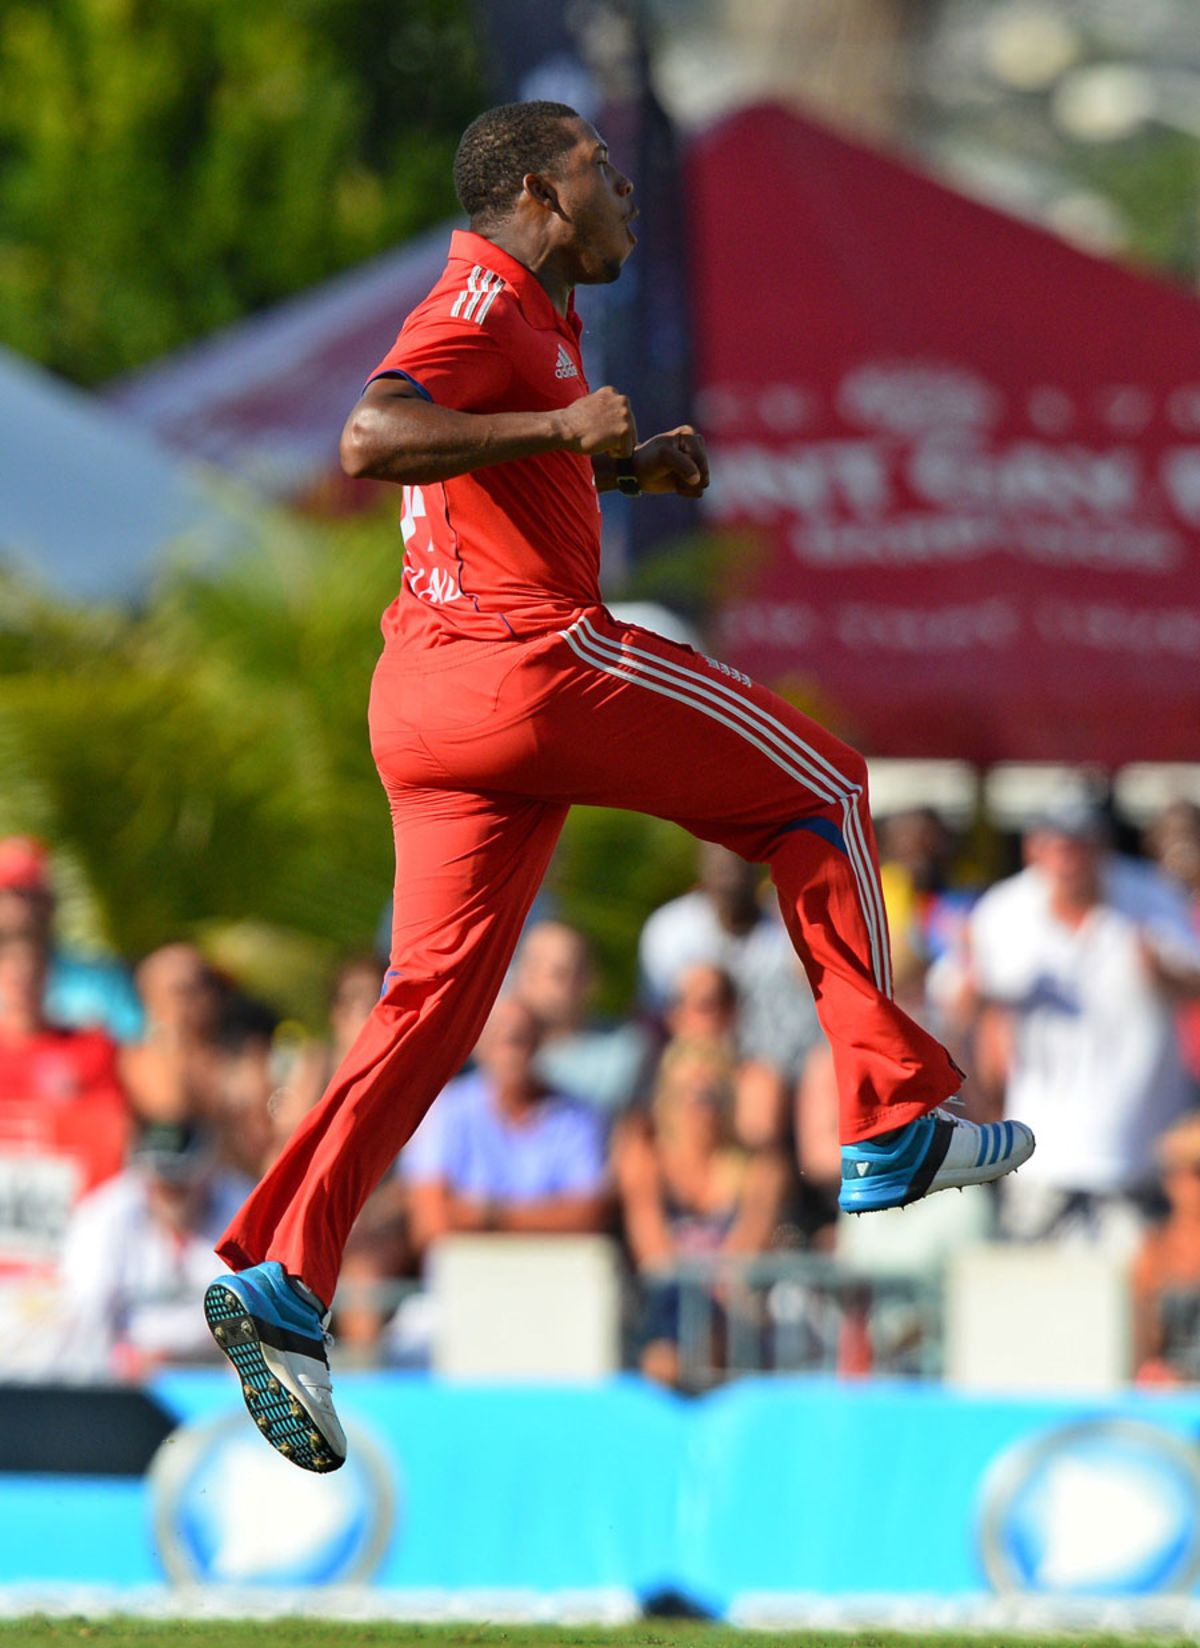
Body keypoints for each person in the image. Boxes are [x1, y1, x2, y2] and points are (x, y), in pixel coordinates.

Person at [205, 100, 1033, 1473]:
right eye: (600, 168)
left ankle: (283, 1276)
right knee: (826, 792)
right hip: (527, 670)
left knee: (425, 1009)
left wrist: (617, 465)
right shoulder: (484, 298)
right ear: (540, 189)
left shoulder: (533, 308)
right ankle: (889, 1119)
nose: (626, 190)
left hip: (428, 700)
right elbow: (372, 437)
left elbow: (477, 471)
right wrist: (562, 421)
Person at [955, 794, 1200, 1251]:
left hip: (1138, 1147)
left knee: (1133, 1285)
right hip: (1040, 1151)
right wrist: (982, 1101)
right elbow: (963, 1012)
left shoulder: (1151, 898)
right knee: (1040, 1284)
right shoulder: (1005, 911)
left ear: (1102, 846)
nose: (1069, 859)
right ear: (1034, 849)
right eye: (1058, 845)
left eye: (1081, 845)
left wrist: (1165, 975)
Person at [617, 1036, 789, 1388]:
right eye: (688, 1095)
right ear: (666, 1098)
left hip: (733, 1312)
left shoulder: (760, 1168)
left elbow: (744, 1259)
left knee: (696, 1340)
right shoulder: (646, 1158)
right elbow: (654, 1257)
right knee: (669, 1340)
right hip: (666, 1308)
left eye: (710, 1096)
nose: (700, 1107)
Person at [403, 995, 610, 1255]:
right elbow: (430, 1223)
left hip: (552, 1266)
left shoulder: (576, 1117)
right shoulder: (447, 1109)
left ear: (539, 1044)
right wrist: (544, 1217)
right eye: (499, 1039)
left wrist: (490, 1216)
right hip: (468, 1266)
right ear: (479, 1046)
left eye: (519, 1040)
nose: (510, 1052)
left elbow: (589, 1216)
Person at [0, 836, 143, 1044]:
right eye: (9, 894)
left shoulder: (97, 979)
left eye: (27, 894)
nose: (19, 907)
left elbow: (134, 1044)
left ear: (49, 901)